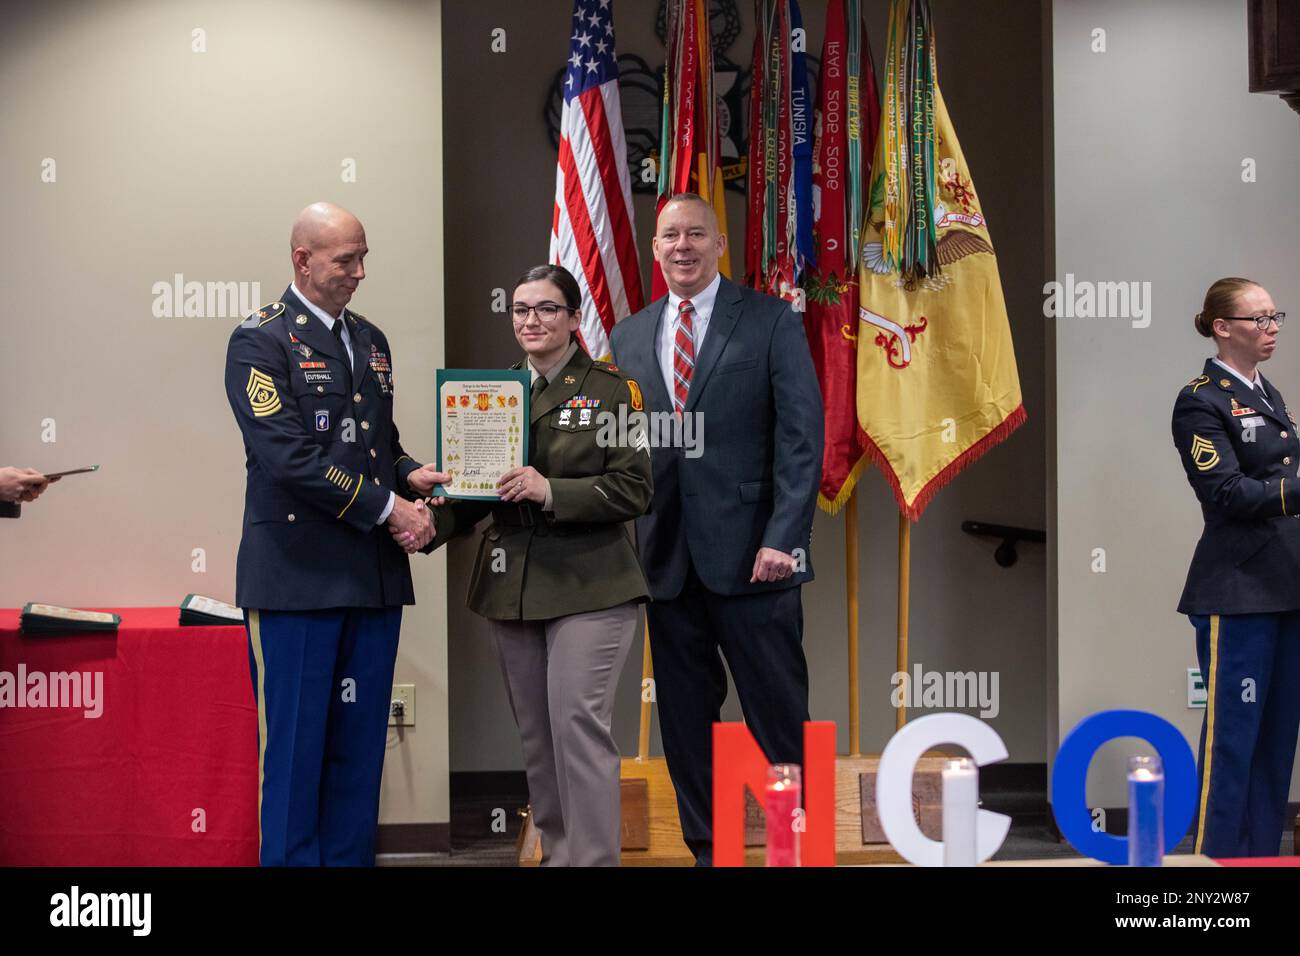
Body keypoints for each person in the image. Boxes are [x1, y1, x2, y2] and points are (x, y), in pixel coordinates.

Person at [223, 201, 448, 866]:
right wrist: (388, 509)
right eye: (346, 260)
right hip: (296, 579)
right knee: (295, 756)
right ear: (303, 260)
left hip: (369, 578)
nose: (359, 272)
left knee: (357, 754)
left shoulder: (370, 338)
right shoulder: (259, 342)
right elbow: (289, 459)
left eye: (363, 257)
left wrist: (412, 477)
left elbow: (378, 447)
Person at [405, 264, 652, 866]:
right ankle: (559, 854)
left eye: (546, 309)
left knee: (577, 728)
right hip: (511, 583)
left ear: (572, 319)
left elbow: (634, 490)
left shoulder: (613, 391)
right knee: (539, 741)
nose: (531, 320)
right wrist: (426, 520)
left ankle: (594, 862)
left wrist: (551, 491)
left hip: (591, 581)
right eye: (520, 309)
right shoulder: (491, 391)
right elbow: (474, 491)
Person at [607, 193, 824, 866]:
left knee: (778, 716)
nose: (682, 246)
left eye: (696, 234)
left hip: (757, 561)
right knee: (687, 725)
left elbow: (801, 440)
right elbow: (626, 447)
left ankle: (796, 846)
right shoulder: (629, 336)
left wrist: (783, 538)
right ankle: (710, 851)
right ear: (655, 247)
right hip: (668, 562)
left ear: (718, 245)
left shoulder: (767, 321)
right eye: (670, 235)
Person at [1171, 276, 1300, 858]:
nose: (1272, 329)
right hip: (1241, 587)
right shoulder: (1200, 398)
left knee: (1278, 742)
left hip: (1288, 584)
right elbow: (1224, 492)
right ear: (1224, 328)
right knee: (1233, 740)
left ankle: (1262, 859)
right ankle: (1219, 862)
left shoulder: (1269, 394)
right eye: (1260, 319)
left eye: (1276, 317)